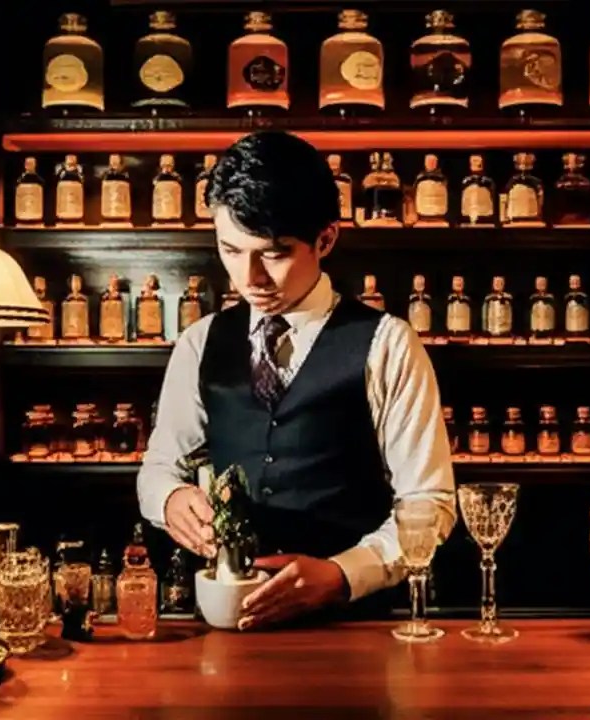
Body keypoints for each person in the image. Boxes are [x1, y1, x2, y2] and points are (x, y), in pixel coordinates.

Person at [136, 131, 456, 630]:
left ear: (326, 238)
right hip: (226, 625)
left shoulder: (388, 344)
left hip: (356, 629)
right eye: (230, 249)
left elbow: (429, 505)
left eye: (275, 253)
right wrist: (170, 499)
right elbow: (159, 468)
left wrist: (341, 574)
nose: (250, 278)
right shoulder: (200, 343)